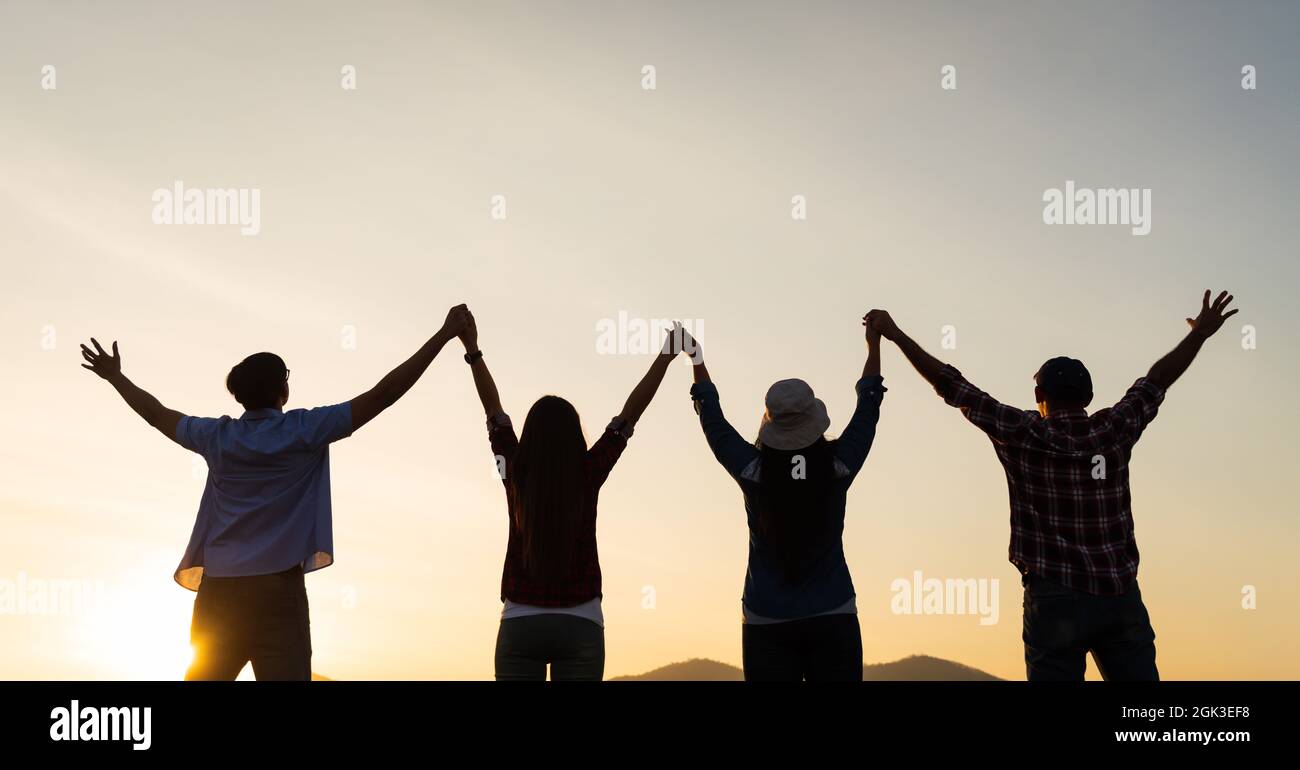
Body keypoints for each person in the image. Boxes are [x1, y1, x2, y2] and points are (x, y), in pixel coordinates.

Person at [79, 305, 471, 680]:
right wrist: (443, 337)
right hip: (277, 592)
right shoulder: (306, 430)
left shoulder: (217, 436)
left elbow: (157, 414)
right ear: (283, 388)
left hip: (220, 591)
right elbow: (384, 394)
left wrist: (116, 377)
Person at [865, 290, 1239, 681]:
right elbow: (1157, 380)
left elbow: (952, 386)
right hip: (1118, 593)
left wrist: (894, 334)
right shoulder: (1114, 428)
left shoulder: (1023, 433)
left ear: (1039, 396)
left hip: (1054, 595)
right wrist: (1199, 335)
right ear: (1089, 397)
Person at [457, 310, 687, 681]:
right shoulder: (588, 472)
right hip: (580, 621)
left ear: (530, 438)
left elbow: (493, 411)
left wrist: (473, 350)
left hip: (520, 622)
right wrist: (665, 356)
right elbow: (630, 415)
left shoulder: (515, 472)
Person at [686, 318, 886, 681]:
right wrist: (874, 346)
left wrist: (695, 357)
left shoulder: (754, 471)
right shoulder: (837, 466)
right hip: (833, 612)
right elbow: (868, 405)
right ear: (814, 421)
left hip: (766, 619)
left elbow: (713, 421)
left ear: (771, 424)